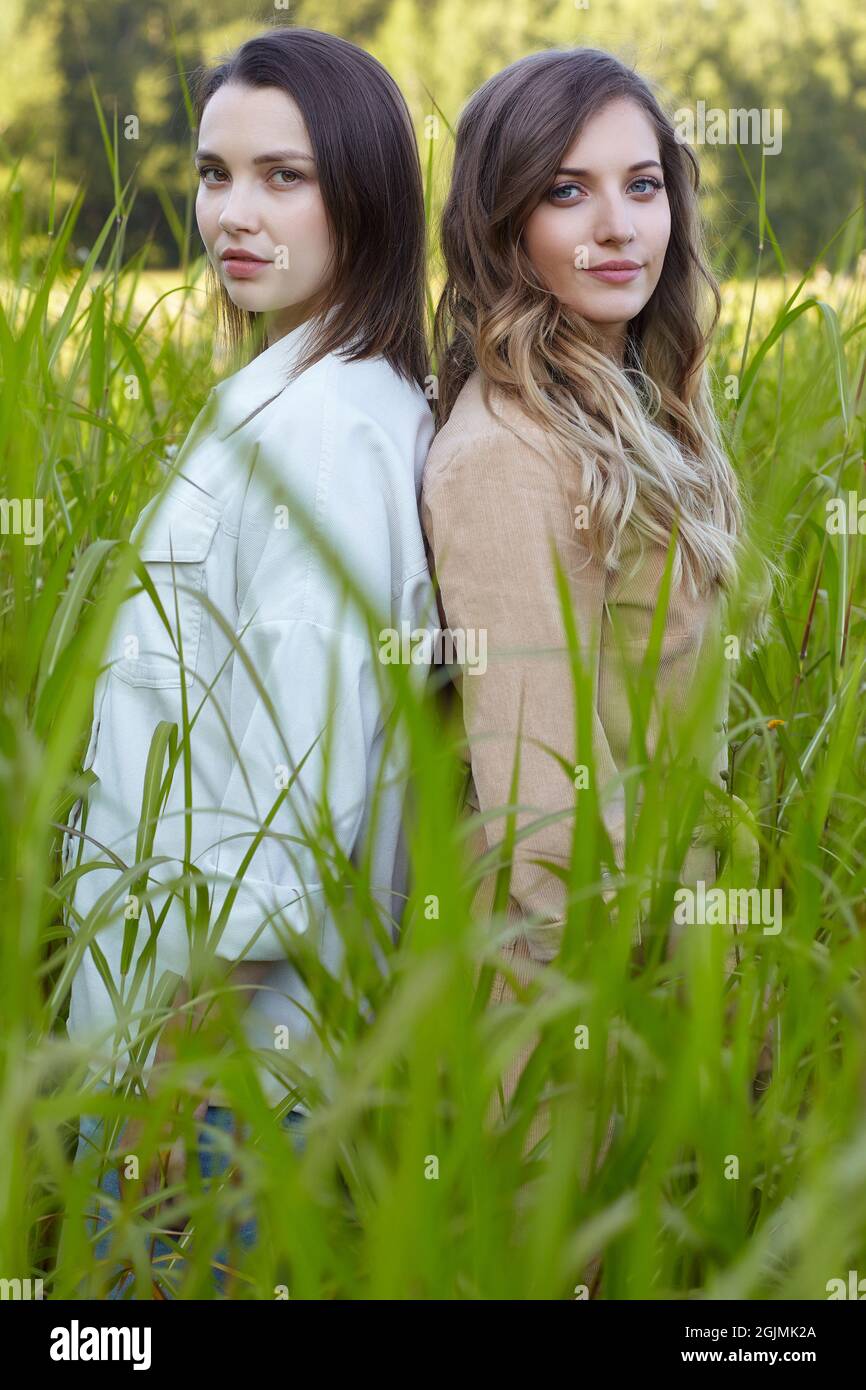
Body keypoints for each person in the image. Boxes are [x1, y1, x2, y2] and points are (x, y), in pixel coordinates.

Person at [60, 27, 436, 1297]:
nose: (235, 212)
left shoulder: (328, 436)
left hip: (221, 1062)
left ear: (368, 194)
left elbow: (297, 793)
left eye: (285, 176)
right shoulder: (301, 396)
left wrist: (177, 1066)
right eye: (216, 173)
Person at [421, 48, 770, 1158]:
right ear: (499, 223)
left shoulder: (636, 409)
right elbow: (541, 810)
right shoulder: (501, 454)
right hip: (569, 1014)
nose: (616, 225)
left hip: (664, 957)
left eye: (641, 184)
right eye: (564, 191)